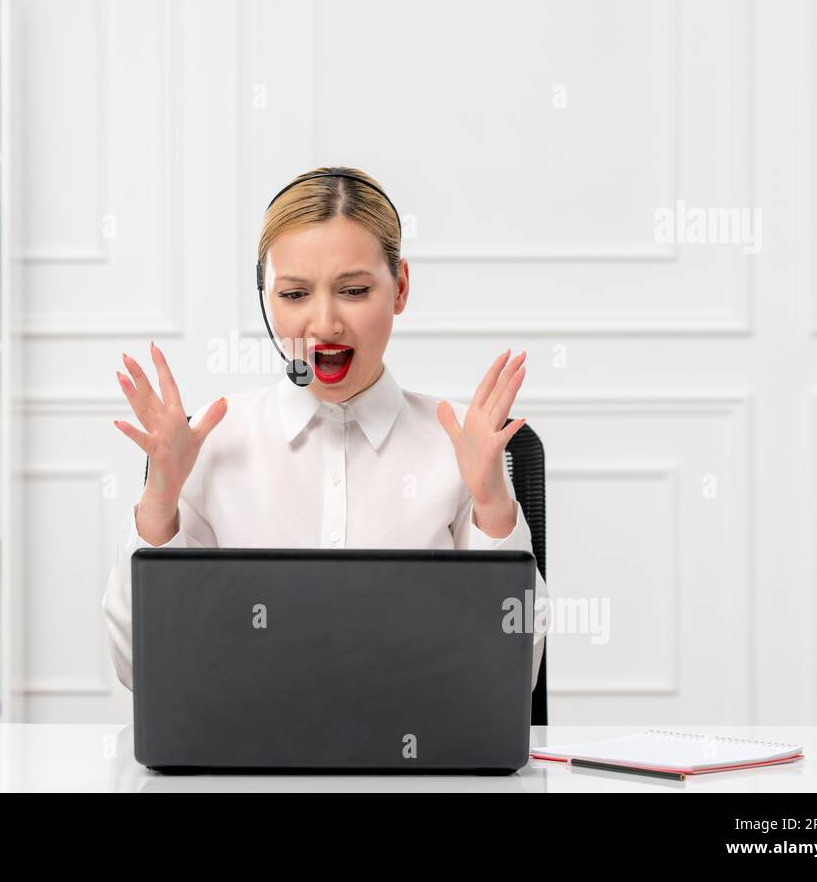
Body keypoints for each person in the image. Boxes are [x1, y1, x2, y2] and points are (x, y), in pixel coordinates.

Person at [102, 166, 547, 692]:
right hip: (246, 766)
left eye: (354, 290)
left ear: (400, 288)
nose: (325, 324)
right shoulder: (213, 443)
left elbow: (511, 672)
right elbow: (141, 671)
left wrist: (493, 504)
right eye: (294, 295)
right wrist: (160, 502)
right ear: (265, 298)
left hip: (417, 764)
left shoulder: (455, 447)